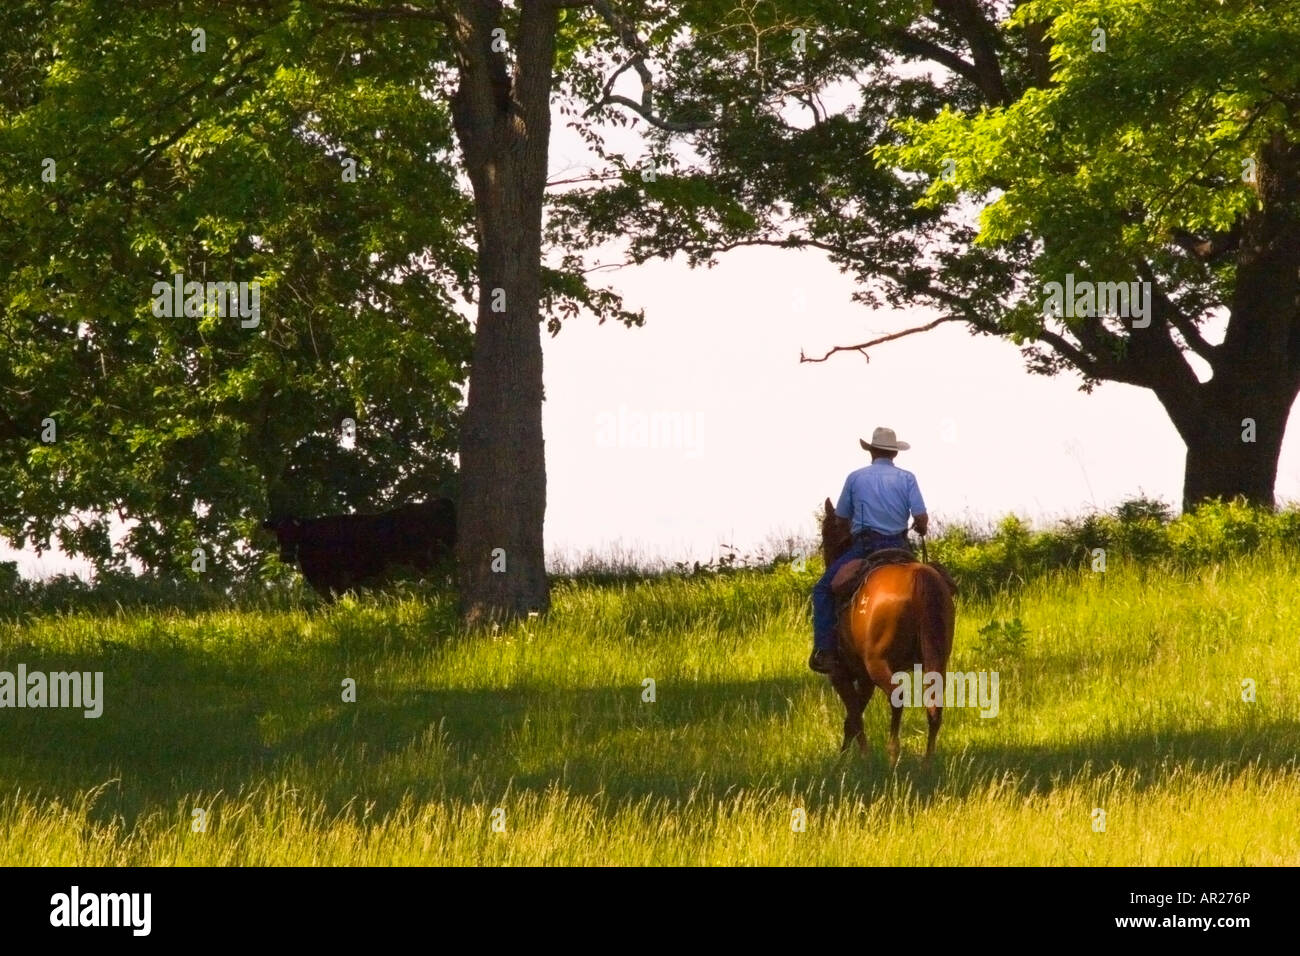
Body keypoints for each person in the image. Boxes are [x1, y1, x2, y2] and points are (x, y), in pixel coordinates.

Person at [809, 426, 929, 674]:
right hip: (900, 547)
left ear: (872, 452)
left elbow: (841, 519)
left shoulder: (855, 477)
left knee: (821, 589)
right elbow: (922, 518)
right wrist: (920, 527)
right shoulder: (908, 478)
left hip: (866, 546)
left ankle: (826, 651)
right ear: (894, 454)